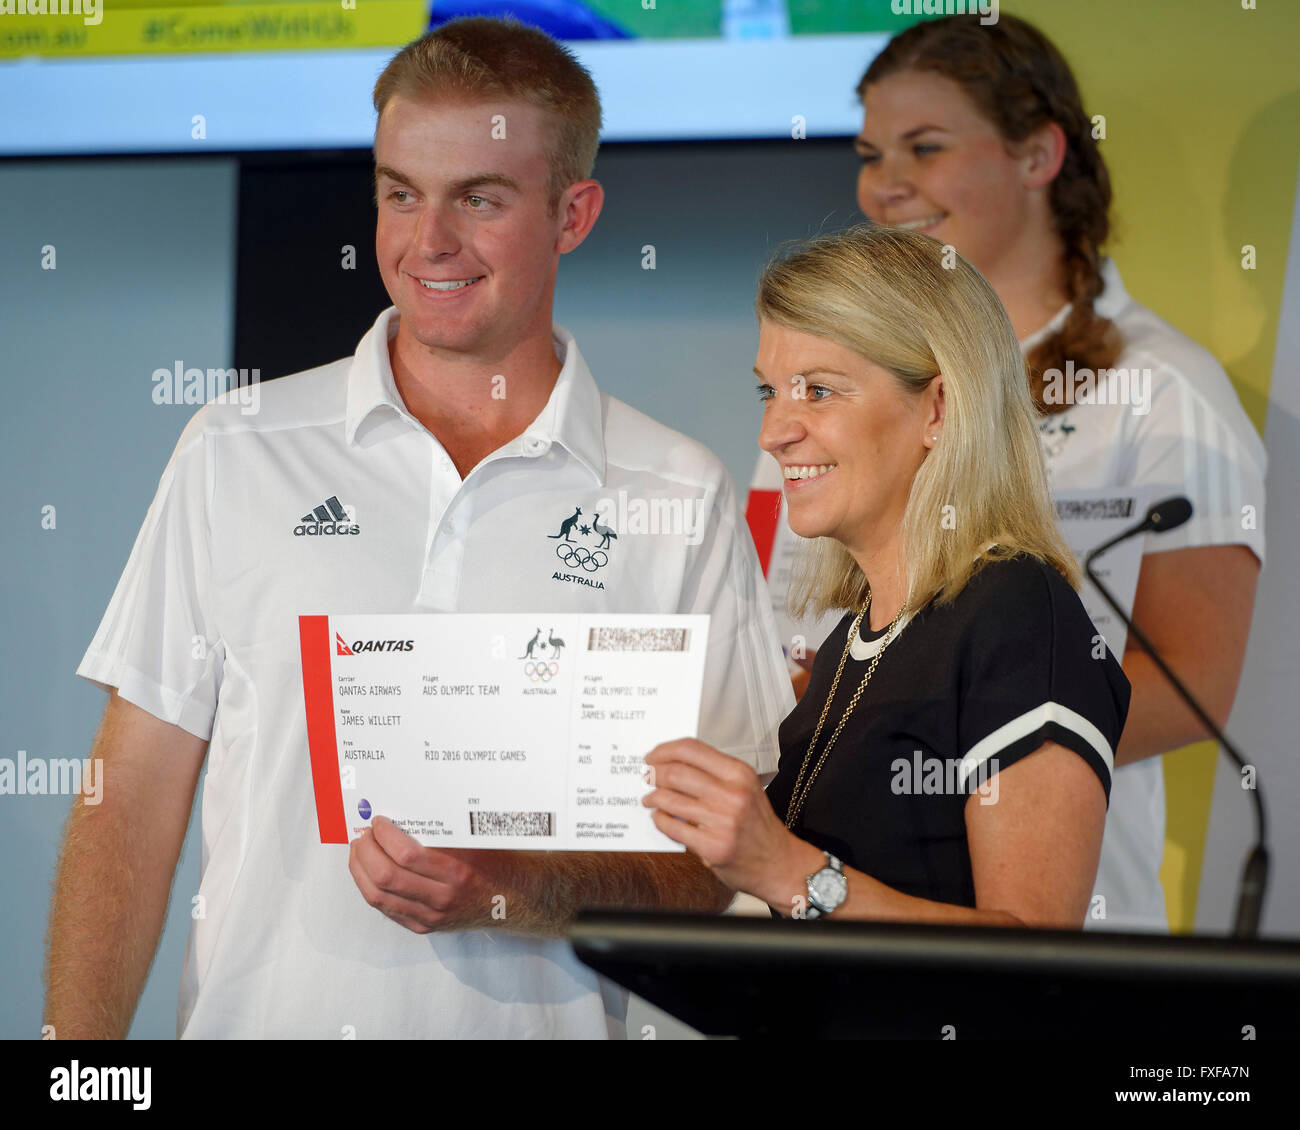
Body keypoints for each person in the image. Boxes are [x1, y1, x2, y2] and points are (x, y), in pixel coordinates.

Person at [44, 17, 793, 1040]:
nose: (426, 241)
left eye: (478, 198)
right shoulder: (237, 447)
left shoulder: (676, 489)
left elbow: (716, 865)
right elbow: (128, 794)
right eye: (400, 193)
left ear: (573, 215)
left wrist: (515, 887)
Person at [746, 13, 1265, 932]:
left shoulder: (1165, 392)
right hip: (834, 877)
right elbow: (785, 628)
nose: (887, 183)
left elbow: (1194, 682)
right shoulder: (822, 396)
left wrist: (950, 733)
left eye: (926, 147)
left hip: (1032, 893)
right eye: (871, 153)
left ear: (1038, 155)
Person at [647, 224, 1130, 926]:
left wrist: (788, 871)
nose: (774, 431)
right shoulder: (853, 642)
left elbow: (1032, 954)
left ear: (937, 408)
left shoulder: (1020, 615)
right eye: (769, 392)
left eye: (816, 390)